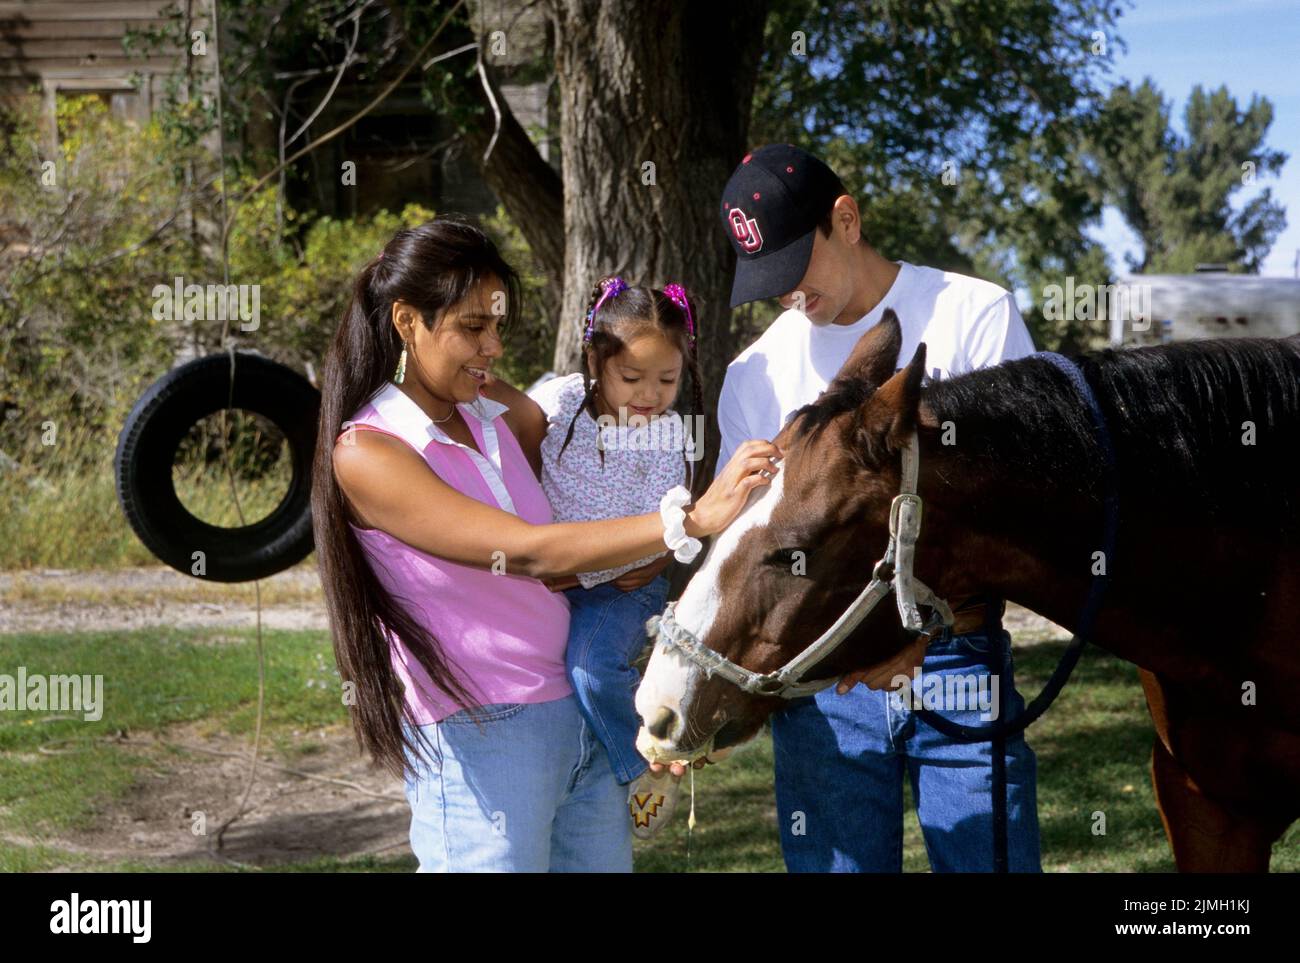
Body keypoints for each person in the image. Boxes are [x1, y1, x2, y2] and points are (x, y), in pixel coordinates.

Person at [310, 216, 780, 871]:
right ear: (406, 321)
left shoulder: (493, 417)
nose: (494, 346)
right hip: (486, 730)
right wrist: (691, 519)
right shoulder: (370, 451)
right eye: (473, 327)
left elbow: (584, 496)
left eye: (498, 326)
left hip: (578, 713)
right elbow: (530, 550)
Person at [715, 144, 1043, 872]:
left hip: (957, 659)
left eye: (796, 268)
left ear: (848, 218)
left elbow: (1019, 519)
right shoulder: (753, 376)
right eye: (768, 281)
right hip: (821, 683)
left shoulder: (975, 315)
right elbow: (754, 559)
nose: (788, 297)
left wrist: (919, 639)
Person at [528, 275, 707, 838]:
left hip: (621, 588)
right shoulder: (556, 403)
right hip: (559, 578)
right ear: (593, 359)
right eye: (631, 377)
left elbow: (659, 539)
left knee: (591, 665)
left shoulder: (669, 432)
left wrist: (578, 570)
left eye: (667, 379)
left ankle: (651, 765)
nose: (649, 394)